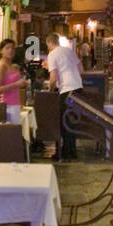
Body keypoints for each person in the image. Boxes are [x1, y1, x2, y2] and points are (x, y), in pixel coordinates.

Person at [45, 33, 84, 161]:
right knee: (72, 120)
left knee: (63, 121)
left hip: (66, 90)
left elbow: (53, 77)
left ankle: (65, 152)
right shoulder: (69, 51)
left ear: (50, 43)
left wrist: (50, 89)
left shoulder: (52, 55)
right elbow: (81, 70)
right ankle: (72, 150)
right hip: (78, 88)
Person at [0, 39, 25, 124]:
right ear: (1, 51)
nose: (10, 50)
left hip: (16, 103)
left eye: (13, 48)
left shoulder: (12, 65)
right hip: (8, 105)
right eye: (7, 48)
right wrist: (16, 84)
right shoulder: (1, 66)